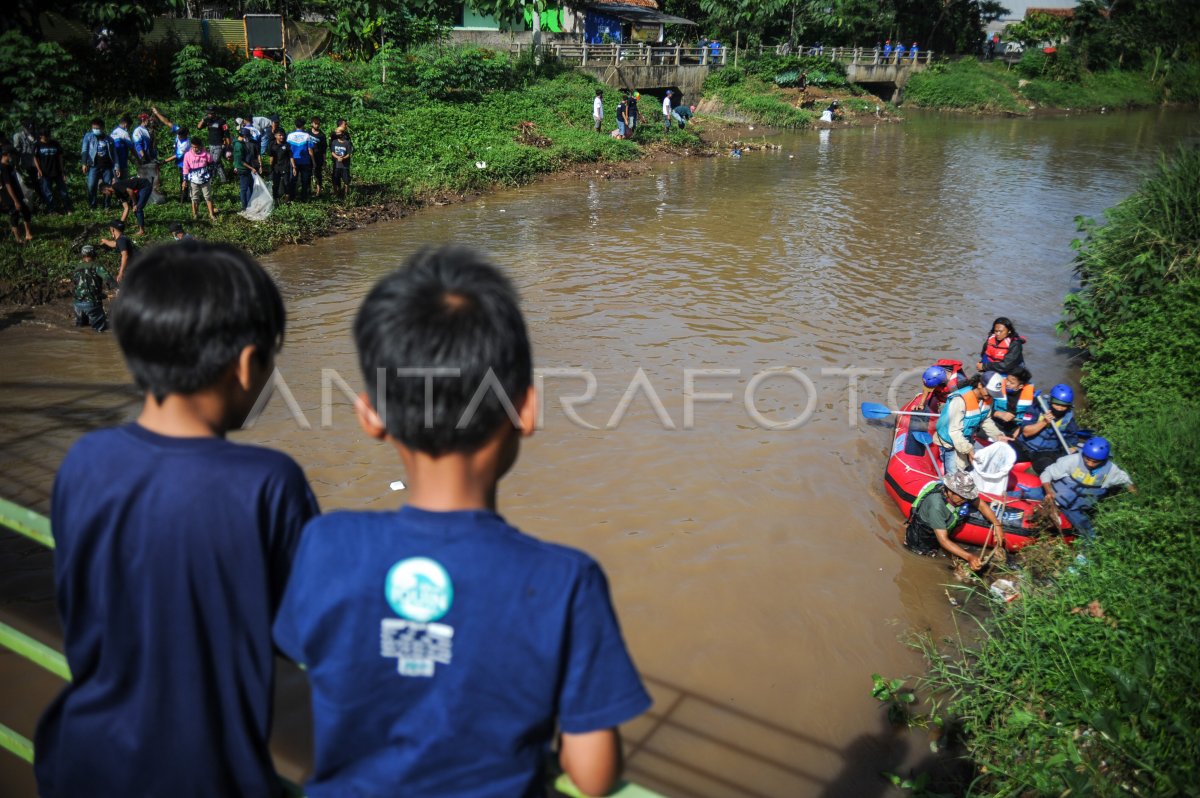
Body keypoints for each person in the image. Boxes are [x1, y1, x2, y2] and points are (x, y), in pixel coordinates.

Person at [273, 245, 651, 797]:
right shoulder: (564, 581)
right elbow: (593, 778)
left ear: (371, 416)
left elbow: (290, 687)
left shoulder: (326, 546)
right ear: (525, 410)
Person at [35, 241, 320, 798]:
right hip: (207, 775)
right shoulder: (268, 482)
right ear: (245, 363)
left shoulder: (84, 463)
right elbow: (305, 629)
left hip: (80, 761)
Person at [1024, 437, 1135, 541]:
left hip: (1074, 508)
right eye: (1087, 459)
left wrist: (1136, 496)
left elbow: (1126, 482)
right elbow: (1047, 473)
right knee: (1023, 494)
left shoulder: (1112, 471)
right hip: (1052, 493)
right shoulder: (1072, 460)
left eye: (1095, 461)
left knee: (1089, 534)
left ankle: (1084, 557)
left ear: (1104, 459)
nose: (1090, 464)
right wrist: (1049, 491)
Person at [904, 471, 1004, 570]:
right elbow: (943, 540)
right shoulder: (936, 506)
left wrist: (996, 524)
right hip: (921, 542)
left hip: (939, 534)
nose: (965, 500)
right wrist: (969, 557)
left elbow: (980, 505)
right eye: (962, 496)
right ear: (950, 491)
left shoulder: (961, 496)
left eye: (967, 497)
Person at [933, 372, 1010, 475]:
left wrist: (998, 435)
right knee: (953, 473)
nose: (991, 395)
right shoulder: (959, 400)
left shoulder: (987, 399)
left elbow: (985, 420)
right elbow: (954, 431)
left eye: (993, 393)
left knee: (965, 467)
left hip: (966, 436)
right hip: (949, 440)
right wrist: (968, 449)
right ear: (980, 385)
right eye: (989, 391)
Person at [1014, 383, 1081, 474]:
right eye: (1057, 404)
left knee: (1048, 466)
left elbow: (1072, 440)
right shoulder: (1036, 408)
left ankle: (1032, 474)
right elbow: (1026, 432)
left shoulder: (1069, 420)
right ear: (1050, 401)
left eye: (1064, 406)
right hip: (1025, 446)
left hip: (1045, 453)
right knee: (1007, 452)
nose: (1060, 408)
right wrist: (1044, 422)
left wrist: (1073, 448)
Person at [70, 245, 118, 332]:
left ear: (82, 255)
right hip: (91, 304)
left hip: (77, 304)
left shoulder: (77, 268)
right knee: (100, 330)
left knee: (81, 330)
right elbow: (108, 279)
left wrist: (104, 296)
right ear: (94, 254)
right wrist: (118, 289)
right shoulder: (97, 266)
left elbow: (80, 287)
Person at [152, 106, 191, 203]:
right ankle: (184, 196)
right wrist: (157, 113)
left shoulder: (185, 144)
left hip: (185, 163)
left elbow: (176, 156)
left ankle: (184, 199)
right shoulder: (179, 131)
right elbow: (167, 122)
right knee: (181, 180)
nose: (178, 136)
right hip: (180, 162)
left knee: (184, 180)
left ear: (185, 135)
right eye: (178, 135)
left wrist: (163, 161)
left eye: (180, 136)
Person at [80, 118, 118, 209]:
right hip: (94, 166)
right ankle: (93, 206)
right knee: (91, 186)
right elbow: (84, 150)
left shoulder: (109, 139)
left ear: (102, 128)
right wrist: (84, 163)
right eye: (94, 128)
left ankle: (106, 206)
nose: (95, 130)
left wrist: (117, 167)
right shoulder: (89, 136)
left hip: (107, 167)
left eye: (97, 128)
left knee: (108, 187)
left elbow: (114, 155)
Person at [1, 146, 34, 242]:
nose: (14, 158)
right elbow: (7, 185)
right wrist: (15, 201)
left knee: (26, 211)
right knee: (14, 215)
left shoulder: (9, 166)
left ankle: (28, 234)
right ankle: (18, 239)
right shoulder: (3, 168)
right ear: (7, 155)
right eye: (12, 156)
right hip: (10, 196)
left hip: (17, 194)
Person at [35, 128, 72, 214]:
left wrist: (62, 171)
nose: (48, 138)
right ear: (41, 136)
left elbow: (60, 157)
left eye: (49, 135)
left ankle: (68, 208)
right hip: (45, 172)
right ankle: (52, 210)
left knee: (64, 192)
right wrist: (39, 170)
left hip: (57, 171)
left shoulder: (55, 143)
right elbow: (35, 158)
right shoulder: (37, 145)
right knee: (48, 193)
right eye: (45, 136)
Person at [990, 366, 1035, 436]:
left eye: (1011, 383)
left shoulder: (1031, 399)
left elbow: (1029, 419)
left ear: (1020, 386)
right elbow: (985, 408)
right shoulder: (996, 388)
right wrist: (998, 414)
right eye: (1007, 380)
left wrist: (1019, 430)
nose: (1007, 383)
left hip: (1013, 428)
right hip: (993, 422)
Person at [182, 138, 217, 222]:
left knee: (208, 197)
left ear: (200, 146)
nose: (195, 149)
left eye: (196, 147)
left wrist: (209, 175)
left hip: (205, 180)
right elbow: (185, 168)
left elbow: (212, 165)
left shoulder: (206, 155)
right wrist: (184, 180)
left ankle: (211, 214)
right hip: (193, 180)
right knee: (194, 198)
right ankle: (195, 214)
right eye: (193, 147)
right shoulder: (187, 155)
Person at [197, 106, 228, 184]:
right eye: (207, 113)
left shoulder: (221, 121)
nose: (208, 114)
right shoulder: (207, 120)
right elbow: (199, 127)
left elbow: (227, 133)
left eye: (210, 113)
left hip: (219, 145)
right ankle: (223, 179)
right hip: (211, 144)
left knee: (213, 162)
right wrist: (203, 120)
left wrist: (227, 145)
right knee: (217, 163)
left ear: (214, 113)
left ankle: (211, 179)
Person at [286, 118, 315, 201]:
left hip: (293, 161)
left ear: (295, 125)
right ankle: (304, 198)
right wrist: (313, 161)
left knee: (293, 180)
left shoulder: (290, 136)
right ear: (303, 125)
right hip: (305, 161)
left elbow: (287, 149)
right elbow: (310, 150)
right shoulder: (307, 136)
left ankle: (291, 198)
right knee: (304, 180)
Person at [233, 127, 260, 211]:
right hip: (243, 169)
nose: (248, 138)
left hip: (245, 169)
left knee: (250, 186)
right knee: (244, 189)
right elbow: (241, 161)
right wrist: (252, 168)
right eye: (247, 136)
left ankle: (249, 203)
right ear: (244, 136)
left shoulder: (239, 143)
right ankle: (244, 207)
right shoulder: (239, 145)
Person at [268, 128, 294, 202]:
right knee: (275, 184)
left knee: (286, 183)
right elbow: (271, 157)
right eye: (280, 135)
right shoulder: (272, 145)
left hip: (285, 166)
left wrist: (294, 167)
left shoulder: (287, 145)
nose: (282, 137)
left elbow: (291, 156)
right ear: (275, 136)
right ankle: (275, 199)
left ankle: (287, 200)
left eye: (283, 135)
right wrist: (270, 167)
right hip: (276, 168)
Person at [329, 129, 352, 198]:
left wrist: (343, 158)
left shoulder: (347, 143)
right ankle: (336, 194)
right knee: (335, 179)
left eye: (338, 132)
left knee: (346, 180)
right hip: (336, 164)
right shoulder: (334, 142)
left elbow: (349, 153)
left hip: (345, 165)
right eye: (336, 133)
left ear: (342, 133)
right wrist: (337, 157)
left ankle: (346, 194)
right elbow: (332, 152)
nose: (337, 134)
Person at [309, 117, 327, 197]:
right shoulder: (307, 133)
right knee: (308, 174)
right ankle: (308, 190)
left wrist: (324, 160)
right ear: (312, 124)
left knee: (318, 174)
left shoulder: (322, 135)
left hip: (318, 157)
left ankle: (318, 192)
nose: (317, 125)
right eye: (315, 123)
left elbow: (324, 149)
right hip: (308, 157)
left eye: (318, 124)